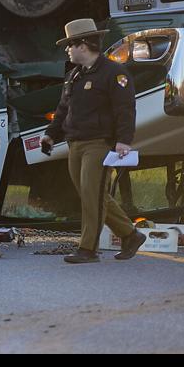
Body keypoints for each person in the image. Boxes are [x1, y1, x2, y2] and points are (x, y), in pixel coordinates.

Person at [40, 19, 143, 264]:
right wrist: (50, 134)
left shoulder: (113, 73)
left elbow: (125, 109)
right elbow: (63, 109)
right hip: (75, 143)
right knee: (92, 194)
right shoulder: (74, 76)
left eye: (70, 45)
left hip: (99, 144)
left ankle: (88, 249)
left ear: (83, 45)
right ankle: (130, 234)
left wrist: (124, 140)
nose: (67, 50)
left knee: (91, 195)